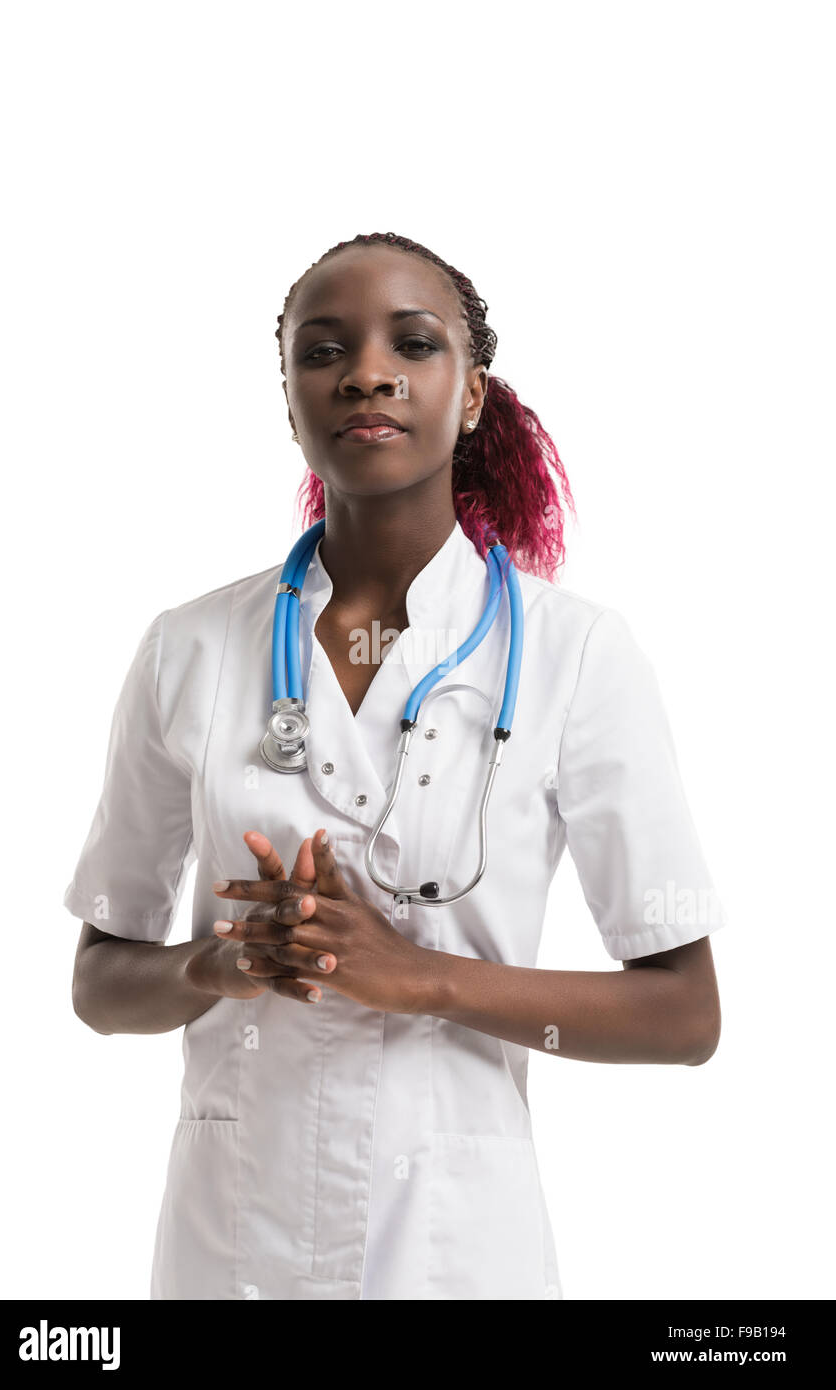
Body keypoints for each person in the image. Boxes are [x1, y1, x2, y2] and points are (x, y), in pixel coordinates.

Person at [65, 231, 725, 1301]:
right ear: (291, 406)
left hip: (456, 1250)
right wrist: (217, 966)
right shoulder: (189, 648)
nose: (366, 373)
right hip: (234, 1244)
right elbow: (101, 984)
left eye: (412, 344)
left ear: (472, 396)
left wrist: (420, 976)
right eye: (324, 351)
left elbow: (684, 1015)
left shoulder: (575, 656)